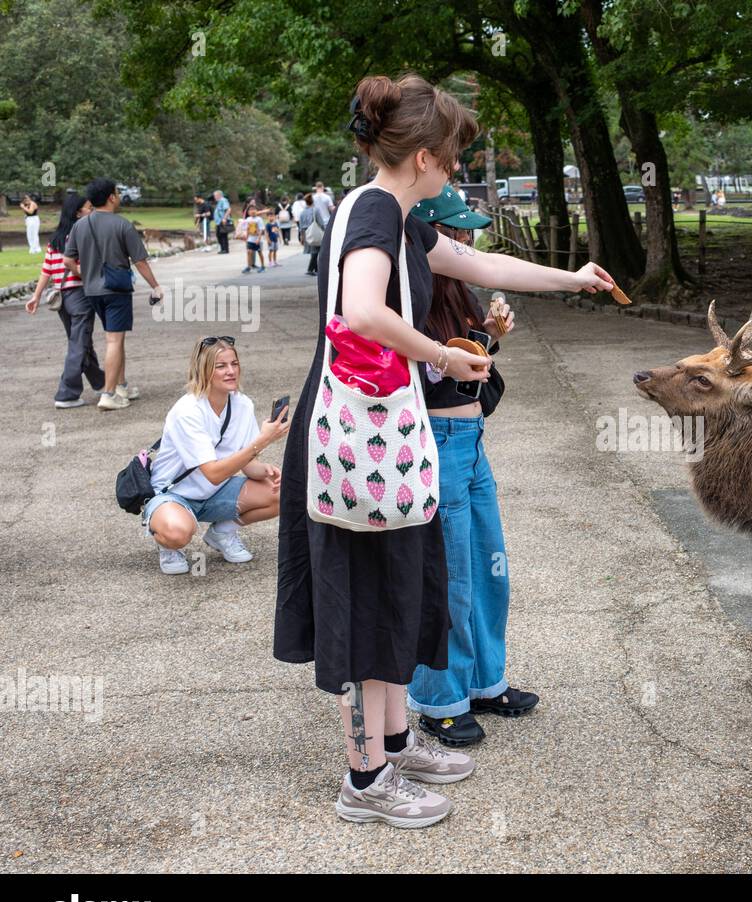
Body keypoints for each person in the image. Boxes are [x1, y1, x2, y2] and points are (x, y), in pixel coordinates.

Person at [274, 73, 614, 828]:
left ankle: (395, 743)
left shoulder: (399, 217)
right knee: (366, 597)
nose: (456, 169)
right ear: (424, 156)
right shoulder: (370, 214)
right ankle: (365, 781)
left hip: (385, 437)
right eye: (453, 157)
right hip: (355, 441)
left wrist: (574, 277)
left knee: (399, 584)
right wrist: (444, 353)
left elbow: (484, 267)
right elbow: (362, 309)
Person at [403, 185, 533, 747]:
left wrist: (489, 339)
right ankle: (439, 697)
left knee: (487, 563)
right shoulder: (409, 287)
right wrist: (452, 356)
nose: (466, 238)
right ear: (433, 232)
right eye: (457, 230)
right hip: (436, 436)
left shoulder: (458, 288)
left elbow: (470, 368)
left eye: (467, 229)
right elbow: (419, 366)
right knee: (449, 572)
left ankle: (484, 679)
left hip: (471, 435)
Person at [143, 336, 289, 575]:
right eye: (221, 366)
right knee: (178, 532)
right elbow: (212, 473)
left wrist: (266, 471)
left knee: (284, 491)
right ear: (204, 370)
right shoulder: (188, 411)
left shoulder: (242, 405)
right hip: (174, 494)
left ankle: (222, 533)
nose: (231, 371)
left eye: (234, 364)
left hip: (215, 493)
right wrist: (264, 439)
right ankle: (167, 545)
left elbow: (248, 463)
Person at [63, 178, 164, 411]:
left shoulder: (80, 225)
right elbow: (140, 261)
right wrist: (156, 286)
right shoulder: (122, 225)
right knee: (114, 340)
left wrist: (84, 273)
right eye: (117, 192)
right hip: (116, 291)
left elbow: (68, 259)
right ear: (111, 197)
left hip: (92, 291)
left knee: (116, 340)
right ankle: (108, 394)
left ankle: (121, 387)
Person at [25, 193, 105, 408]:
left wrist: (37, 295)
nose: (92, 211)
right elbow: (81, 269)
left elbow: (47, 270)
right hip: (80, 296)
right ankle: (66, 394)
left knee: (82, 342)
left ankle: (101, 383)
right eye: (89, 208)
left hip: (62, 299)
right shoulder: (82, 235)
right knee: (79, 343)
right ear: (78, 212)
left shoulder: (56, 238)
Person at [299, 193, 327, 275]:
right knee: (316, 251)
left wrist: (302, 237)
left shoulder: (303, 212)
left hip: (306, 233)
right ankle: (310, 269)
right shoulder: (316, 210)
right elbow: (321, 223)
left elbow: (301, 226)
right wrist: (325, 231)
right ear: (312, 201)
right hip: (315, 233)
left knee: (313, 251)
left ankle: (316, 269)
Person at [241, 208, 266, 273]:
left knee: (259, 252)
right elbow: (247, 229)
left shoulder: (259, 219)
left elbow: (261, 230)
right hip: (250, 239)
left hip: (258, 239)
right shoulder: (248, 219)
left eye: (254, 209)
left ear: (256, 211)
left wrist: (258, 239)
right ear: (248, 212)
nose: (252, 211)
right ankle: (248, 267)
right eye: (250, 210)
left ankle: (263, 266)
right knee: (249, 252)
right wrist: (246, 237)